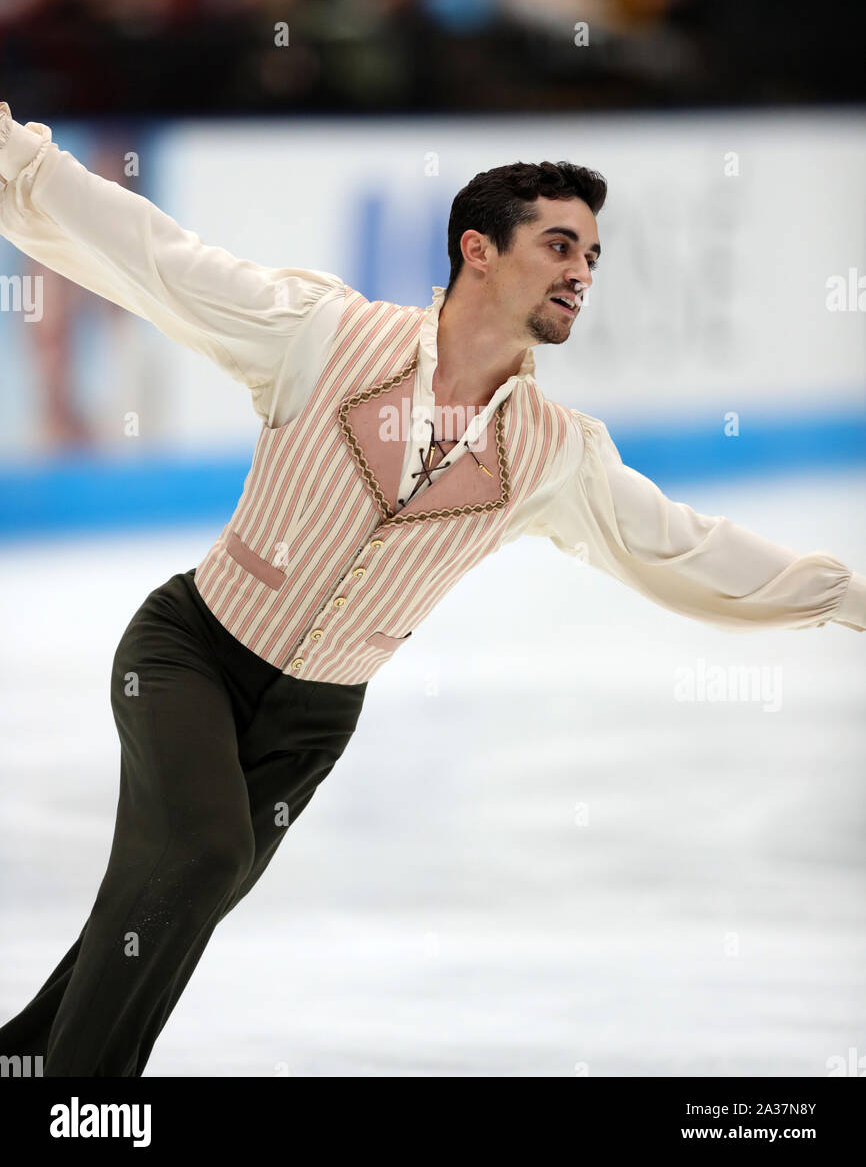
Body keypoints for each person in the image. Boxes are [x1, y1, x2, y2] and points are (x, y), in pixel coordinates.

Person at [0, 100, 862, 1077]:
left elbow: (683, 549)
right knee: (198, 857)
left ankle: (27, 1060)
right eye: (558, 244)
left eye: (591, 254)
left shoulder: (549, 452)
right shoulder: (322, 335)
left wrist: (843, 596)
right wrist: (16, 154)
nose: (581, 270)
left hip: (312, 723)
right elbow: (152, 252)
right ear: (478, 250)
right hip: (188, 651)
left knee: (165, 895)